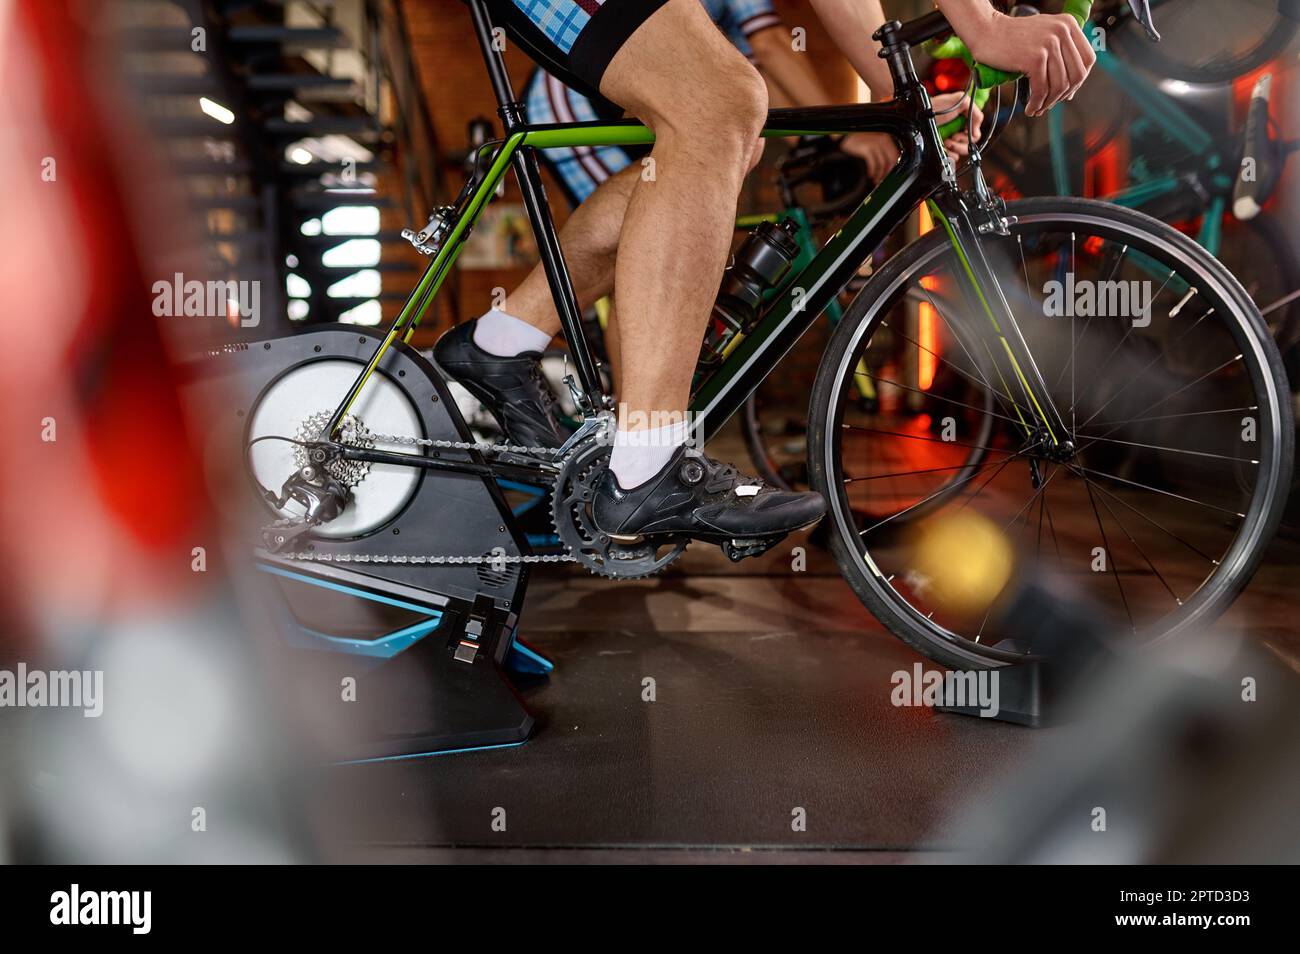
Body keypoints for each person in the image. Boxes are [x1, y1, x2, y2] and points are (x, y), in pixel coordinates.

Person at [435, 0, 1095, 548]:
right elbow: (774, 48)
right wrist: (983, 26)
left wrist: (907, 99)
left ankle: (503, 343)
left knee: (729, 136)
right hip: (571, 95)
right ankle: (642, 465)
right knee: (721, 102)